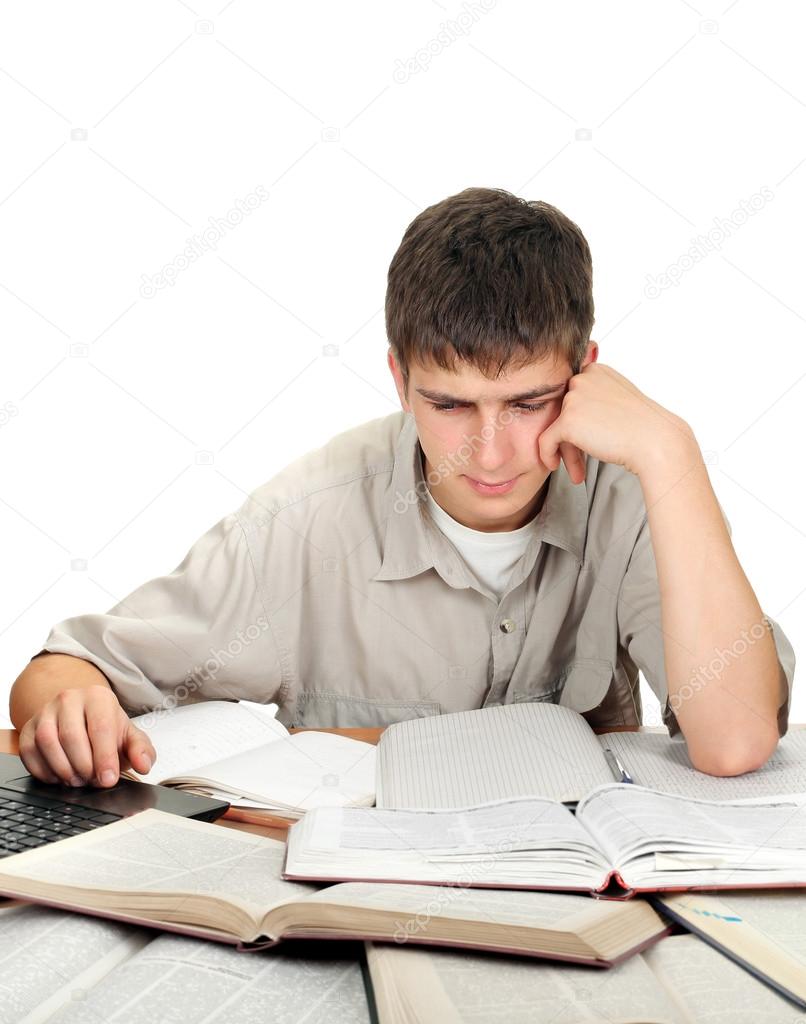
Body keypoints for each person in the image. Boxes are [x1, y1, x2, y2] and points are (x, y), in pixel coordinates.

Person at [9, 187, 795, 789]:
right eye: (449, 404)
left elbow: (733, 742)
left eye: (528, 403)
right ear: (399, 378)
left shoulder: (639, 495)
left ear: (586, 374)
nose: (489, 453)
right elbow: (69, 667)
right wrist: (67, 696)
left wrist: (673, 451)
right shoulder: (306, 520)